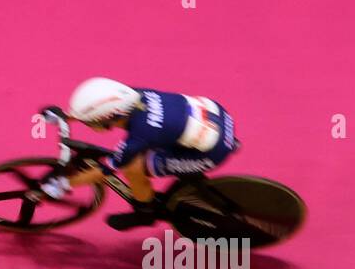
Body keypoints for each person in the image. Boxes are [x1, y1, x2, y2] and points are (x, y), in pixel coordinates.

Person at [46, 78, 239, 230]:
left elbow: (104, 171)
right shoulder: (133, 95)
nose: (91, 125)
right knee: (144, 150)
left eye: (92, 122)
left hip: (211, 152)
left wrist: (63, 183)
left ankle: (144, 212)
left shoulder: (140, 135)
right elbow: (101, 104)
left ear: (111, 118)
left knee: (132, 166)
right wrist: (66, 116)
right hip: (216, 117)